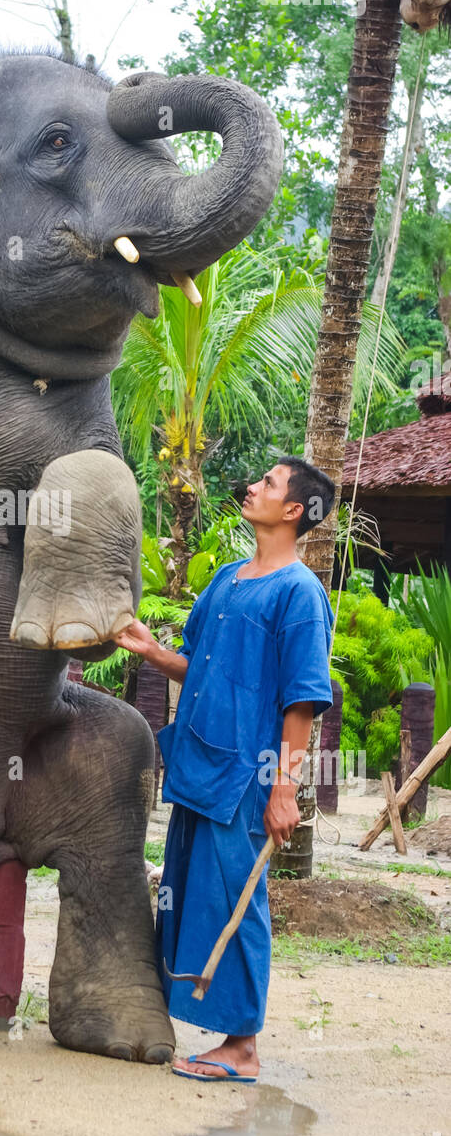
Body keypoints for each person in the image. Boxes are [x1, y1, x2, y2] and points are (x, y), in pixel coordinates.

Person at [114, 457, 335, 1082]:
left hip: (247, 779)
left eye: (268, 483)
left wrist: (285, 790)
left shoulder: (299, 593)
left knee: (241, 901)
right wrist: (154, 652)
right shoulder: (229, 578)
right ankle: (199, 1021)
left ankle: (242, 1048)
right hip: (200, 764)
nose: (254, 487)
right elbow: (199, 664)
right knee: (189, 894)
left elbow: (302, 700)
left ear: (294, 511)